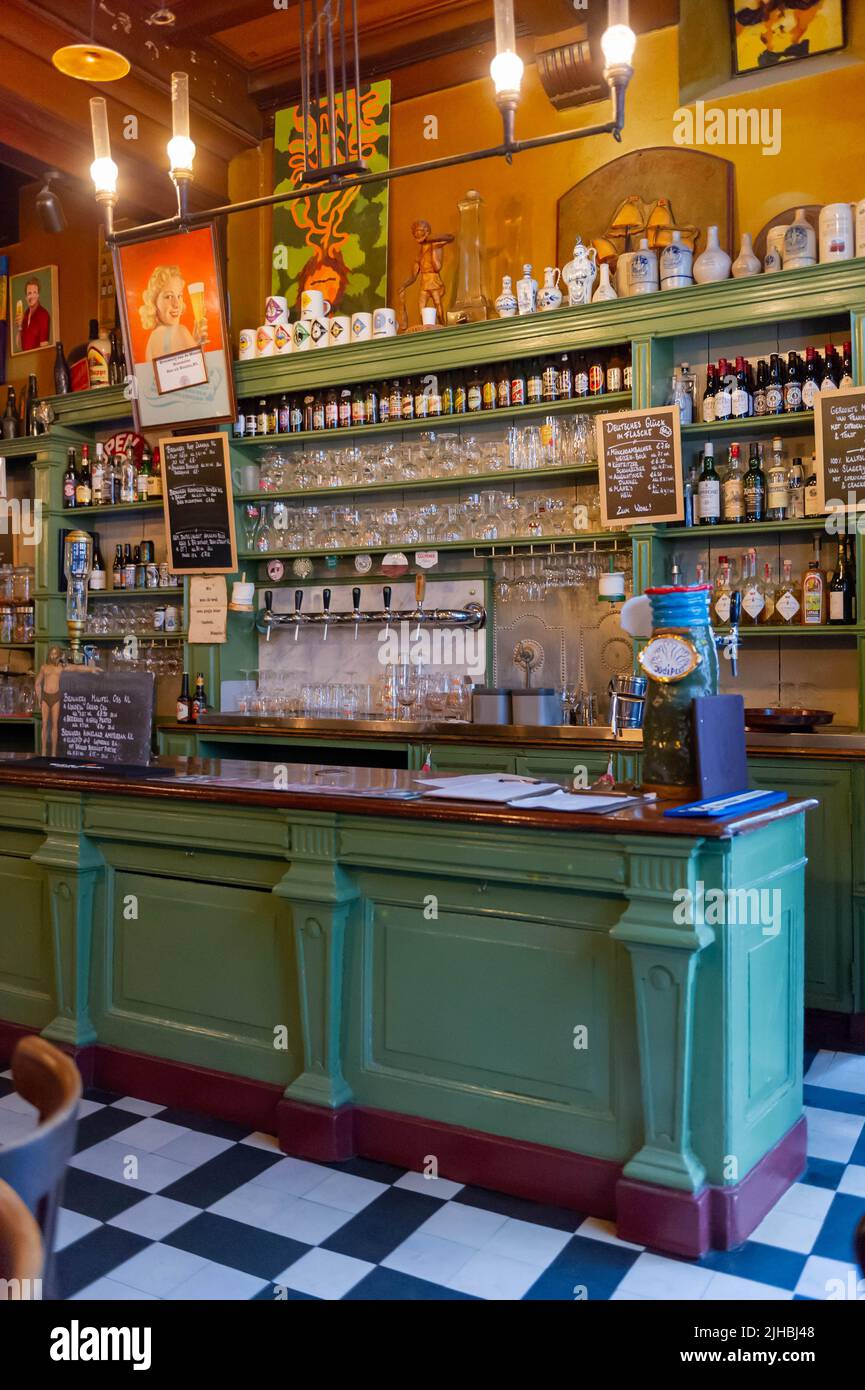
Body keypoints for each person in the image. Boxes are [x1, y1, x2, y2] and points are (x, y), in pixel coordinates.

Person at [138, 264, 208, 361]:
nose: (176, 304)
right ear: (154, 302)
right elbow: (201, 370)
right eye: (169, 296)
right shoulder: (180, 331)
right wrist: (193, 345)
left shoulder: (152, 339)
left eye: (179, 296)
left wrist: (195, 343)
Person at [398, 220, 454, 330]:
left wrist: (430, 238)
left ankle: (442, 324)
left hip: (433, 280)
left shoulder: (435, 245)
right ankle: (425, 328)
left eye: (419, 231)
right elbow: (413, 276)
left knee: (437, 303)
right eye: (416, 232)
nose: (417, 234)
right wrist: (404, 285)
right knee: (421, 305)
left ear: (426, 232)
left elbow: (450, 237)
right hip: (424, 282)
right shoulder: (419, 256)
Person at [34, 645, 64, 755]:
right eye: (52, 653)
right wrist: (39, 698)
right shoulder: (44, 667)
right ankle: (43, 751)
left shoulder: (61, 667)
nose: (53, 656)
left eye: (55, 654)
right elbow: (37, 683)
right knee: (45, 724)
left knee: (55, 725)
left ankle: (53, 752)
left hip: (55, 697)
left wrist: (90, 669)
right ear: (49, 655)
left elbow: (75, 668)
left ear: (59, 655)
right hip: (45, 697)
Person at [16, 277, 51, 352]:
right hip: (24, 360)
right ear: (26, 297)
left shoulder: (43, 315)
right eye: (29, 293)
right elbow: (19, 346)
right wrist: (19, 326)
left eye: (34, 292)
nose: (32, 296)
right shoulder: (25, 314)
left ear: (38, 295)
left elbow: (44, 348)